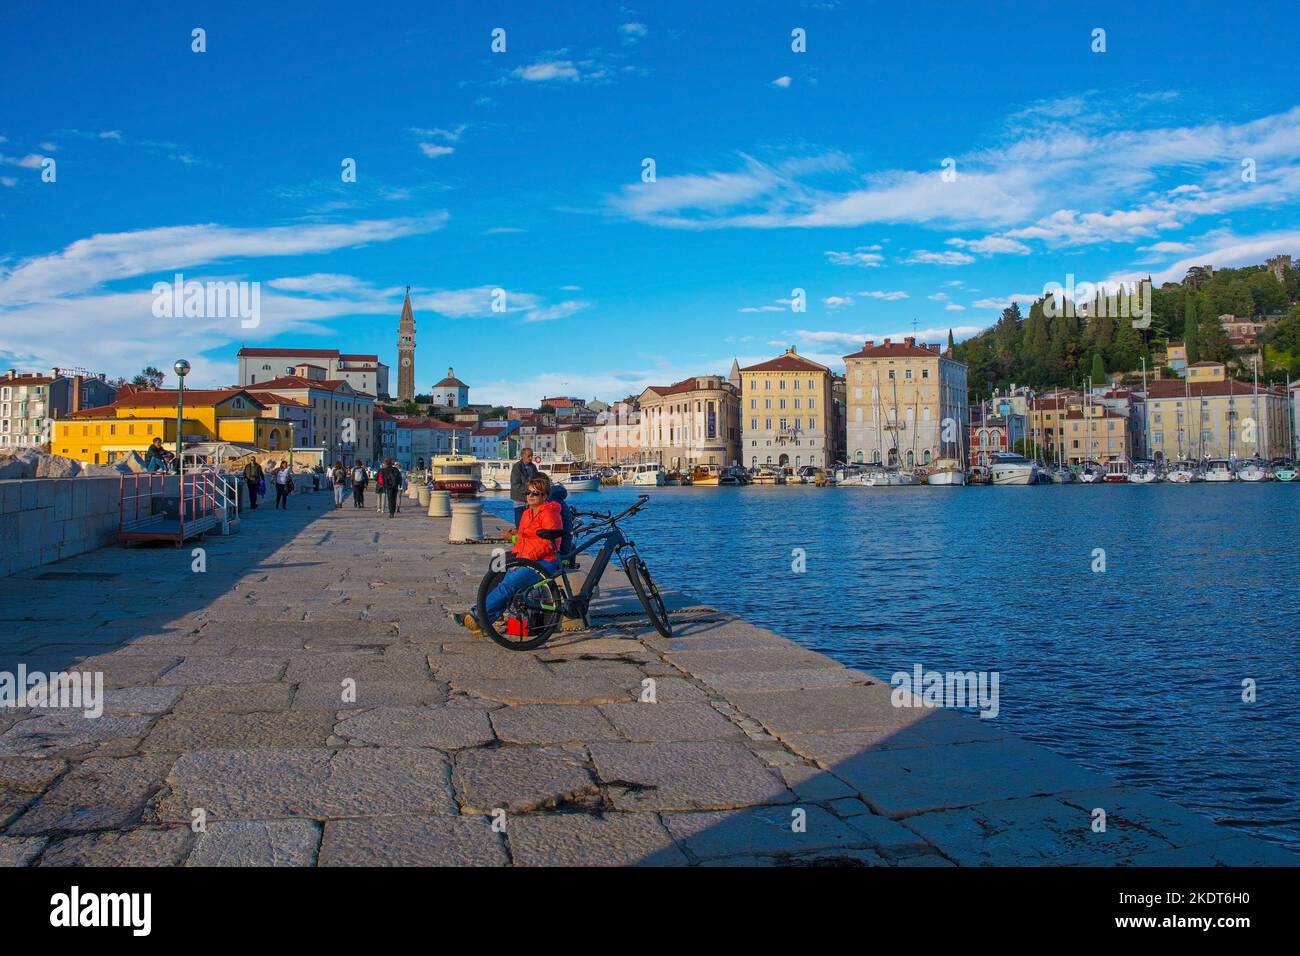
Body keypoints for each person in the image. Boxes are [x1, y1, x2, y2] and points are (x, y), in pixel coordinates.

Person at [455, 474, 561, 636]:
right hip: (526, 560)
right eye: (528, 493)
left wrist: (526, 560)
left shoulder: (550, 514)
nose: (530, 496)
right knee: (505, 586)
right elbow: (522, 541)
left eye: (535, 493)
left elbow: (548, 544)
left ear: (544, 496)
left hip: (544, 562)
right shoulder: (527, 514)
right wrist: (518, 558)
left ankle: (476, 614)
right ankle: (485, 621)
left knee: (507, 586)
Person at [509, 448, 538, 528]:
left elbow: (536, 480)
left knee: (531, 526)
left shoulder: (533, 467)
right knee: (520, 525)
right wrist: (530, 488)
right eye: (529, 456)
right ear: (522, 456)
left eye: (532, 456)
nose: (531, 458)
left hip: (531, 501)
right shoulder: (517, 467)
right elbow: (515, 484)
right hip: (519, 500)